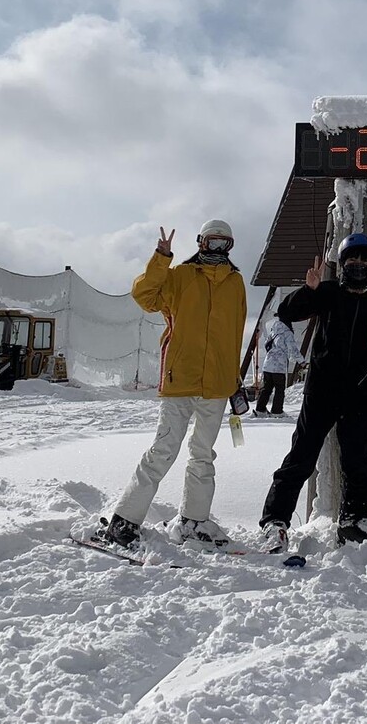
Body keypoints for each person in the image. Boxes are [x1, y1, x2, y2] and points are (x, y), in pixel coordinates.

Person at [96, 219, 247, 549]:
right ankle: (124, 521)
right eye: (212, 242)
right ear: (201, 243)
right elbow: (144, 295)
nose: (218, 249)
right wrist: (161, 258)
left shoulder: (236, 282)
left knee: (203, 455)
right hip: (181, 379)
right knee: (164, 450)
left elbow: (235, 334)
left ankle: (194, 521)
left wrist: (234, 379)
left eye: (225, 244)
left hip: (218, 385)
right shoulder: (179, 276)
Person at [258, 233, 367, 551]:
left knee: (358, 462)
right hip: (321, 391)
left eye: (364, 259)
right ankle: (275, 522)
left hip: (360, 395)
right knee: (300, 459)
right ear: (343, 263)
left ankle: (351, 521)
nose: (358, 264)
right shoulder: (328, 292)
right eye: (352, 259)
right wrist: (309, 290)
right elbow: (287, 312)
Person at [256, 316, 299, 416]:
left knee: (266, 389)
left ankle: (260, 409)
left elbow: (266, 344)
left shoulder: (273, 331)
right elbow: (294, 350)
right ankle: (277, 411)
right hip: (279, 367)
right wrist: (302, 361)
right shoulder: (287, 333)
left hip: (267, 365)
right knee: (279, 390)